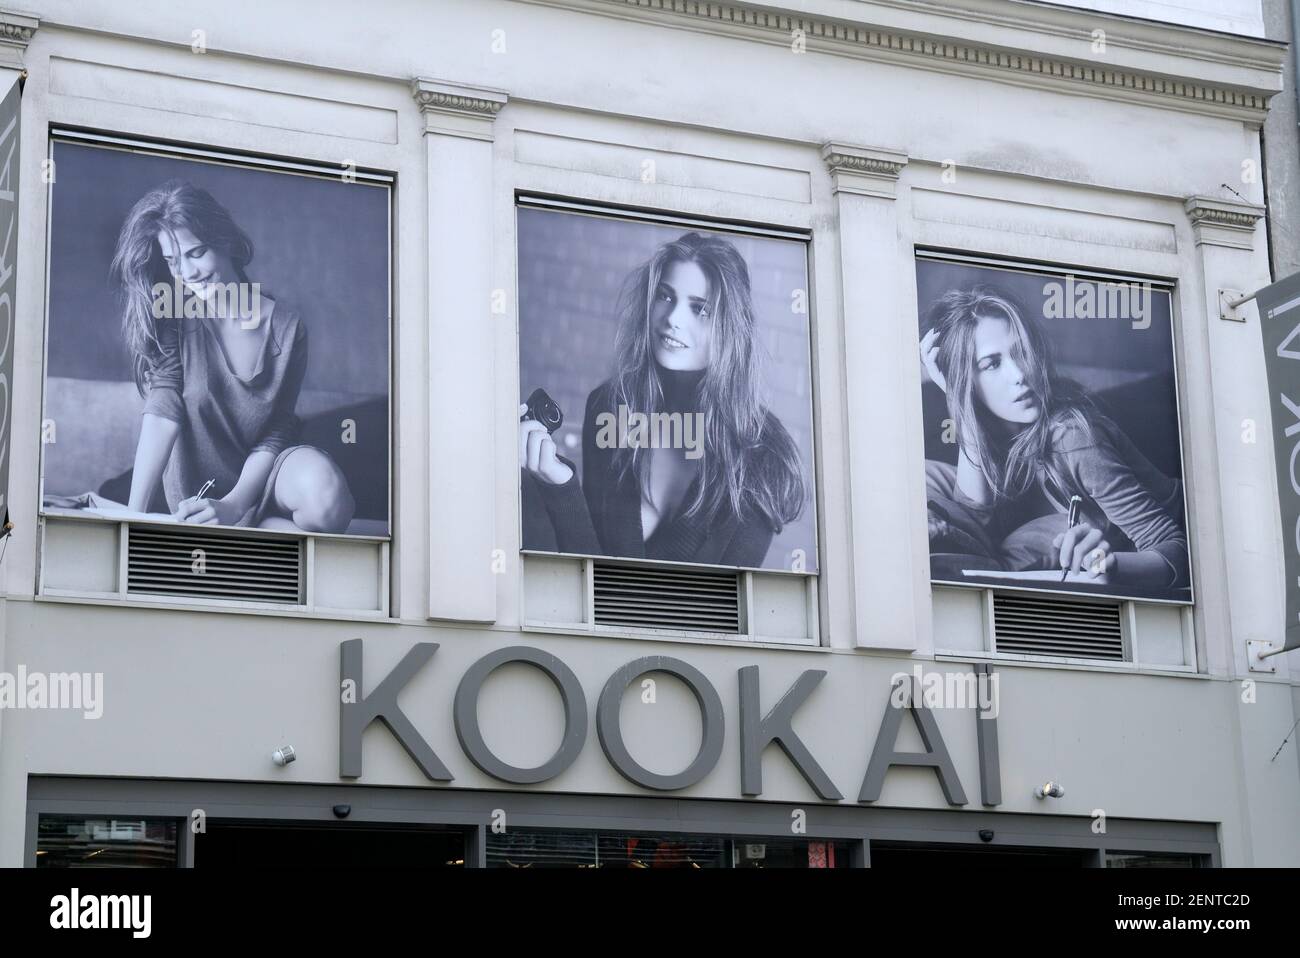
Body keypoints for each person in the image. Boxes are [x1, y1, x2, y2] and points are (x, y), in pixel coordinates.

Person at [520, 231, 805, 569]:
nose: (672, 319)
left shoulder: (763, 456)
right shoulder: (609, 407)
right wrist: (560, 484)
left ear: (730, 327)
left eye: (700, 309)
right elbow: (594, 575)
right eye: (666, 297)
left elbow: (723, 613)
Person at [112, 180, 355, 532]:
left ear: (225, 241)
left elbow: (277, 429)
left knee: (328, 500)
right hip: (199, 490)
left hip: (265, 473)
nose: (187, 274)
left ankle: (251, 520)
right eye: (172, 261)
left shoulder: (288, 326)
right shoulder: (173, 316)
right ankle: (262, 528)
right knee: (284, 536)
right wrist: (131, 517)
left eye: (196, 253)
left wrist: (234, 505)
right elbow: (163, 408)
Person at [919, 285, 1188, 592]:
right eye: (992, 363)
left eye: (1022, 351)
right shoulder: (997, 435)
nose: (1019, 373)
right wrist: (961, 404)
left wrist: (1104, 563)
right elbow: (975, 516)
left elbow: (1178, 548)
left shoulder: (1071, 437)